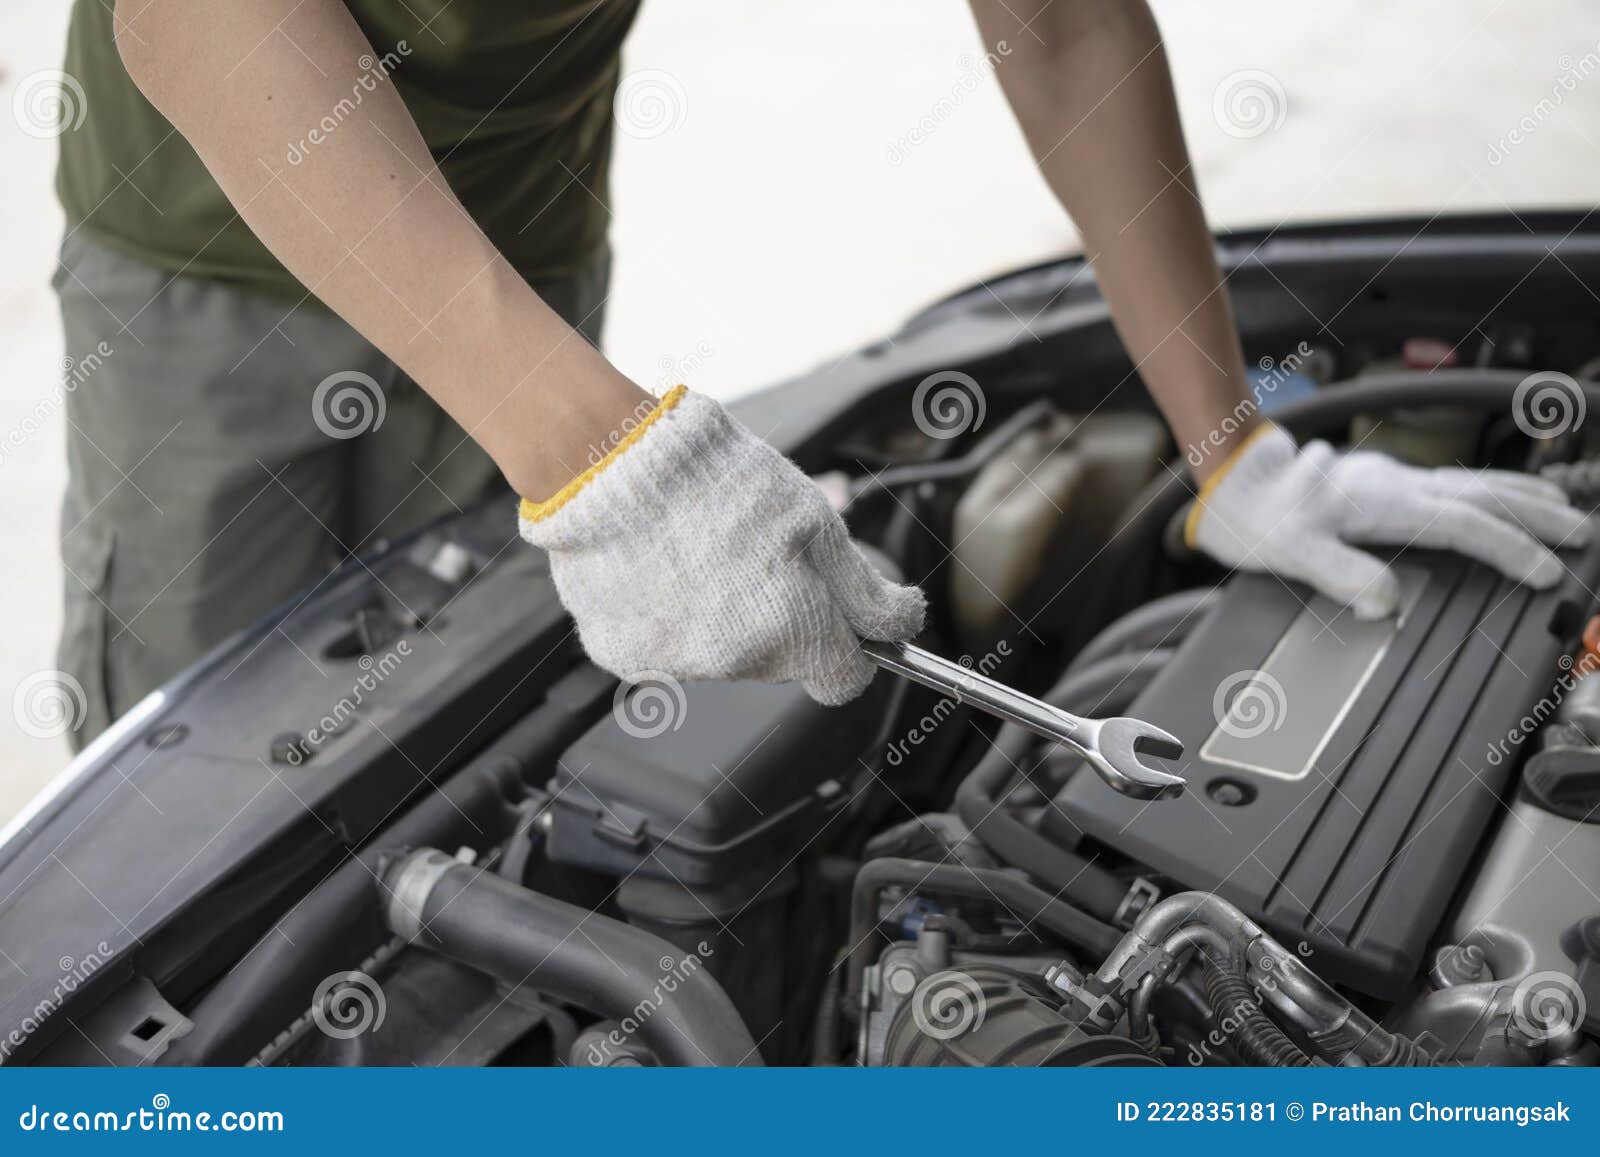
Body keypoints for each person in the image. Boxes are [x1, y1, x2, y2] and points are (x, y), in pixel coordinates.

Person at [55, 0, 1586, 747]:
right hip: (214, 253)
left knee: (437, 716)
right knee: (209, 760)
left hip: (525, 220)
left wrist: (1231, 440)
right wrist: (591, 448)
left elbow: (1056, 23)